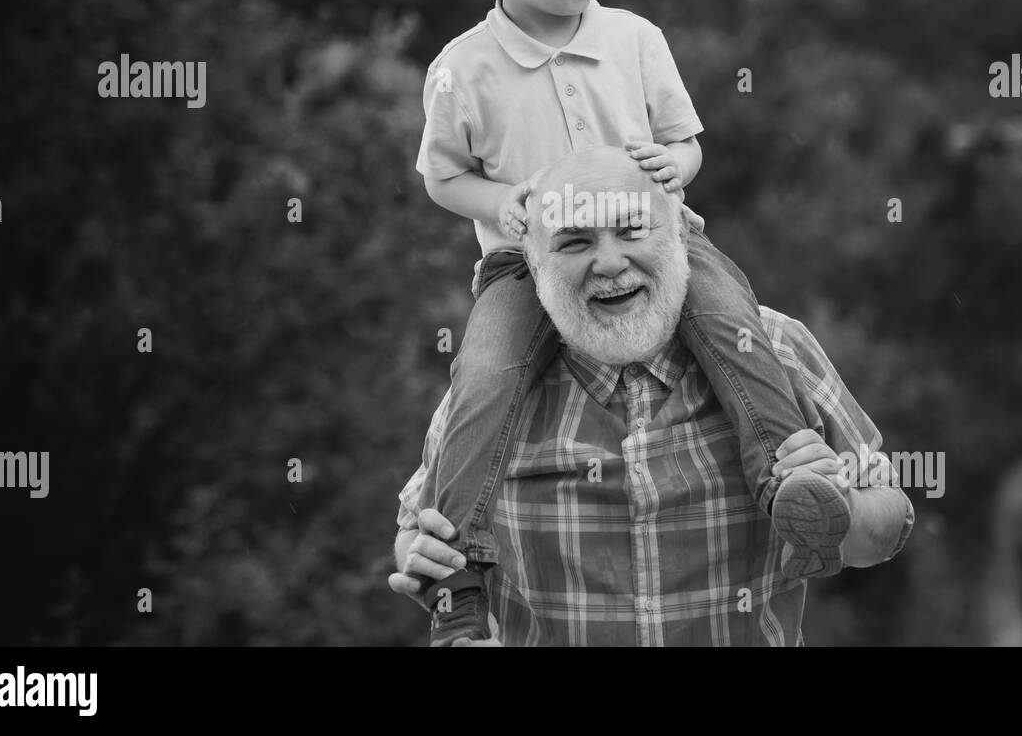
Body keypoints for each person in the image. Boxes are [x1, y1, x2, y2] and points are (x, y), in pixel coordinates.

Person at [414, 0, 849, 646]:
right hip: (525, 261)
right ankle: (458, 576)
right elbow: (442, 176)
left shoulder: (635, 40)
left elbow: (686, 143)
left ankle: (788, 477)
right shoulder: (463, 69)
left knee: (734, 322)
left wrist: (670, 167)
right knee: (483, 377)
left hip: (660, 240)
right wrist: (503, 202)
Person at [391, 149, 915, 646]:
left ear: (683, 234)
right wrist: (435, 578)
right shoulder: (494, 384)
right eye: (574, 242)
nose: (610, 263)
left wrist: (841, 504)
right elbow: (419, 535)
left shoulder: (772, 350)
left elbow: (887, 528)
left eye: (632, 228)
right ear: (533, 263)